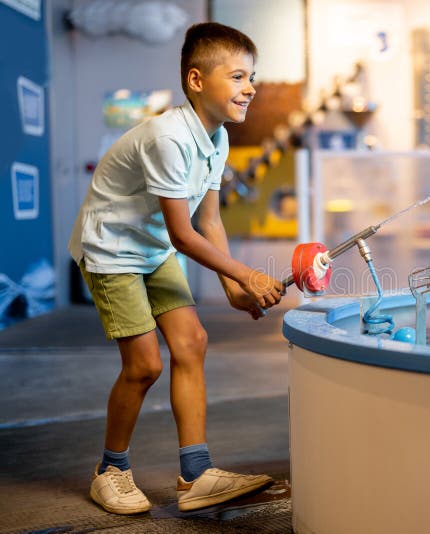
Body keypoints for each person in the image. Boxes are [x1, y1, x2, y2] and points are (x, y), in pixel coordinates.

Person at [68, 22, 283, 515]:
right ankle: (110, 470)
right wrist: (248, 274)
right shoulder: (168, 137)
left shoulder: (217, 139)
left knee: (193, 342)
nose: (251, 87)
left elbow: (209, 219)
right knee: (144, 364)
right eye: (237, 76)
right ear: (196, 80)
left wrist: (232, 288)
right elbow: (185, 234)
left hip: (152, 246)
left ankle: (196, 475)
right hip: (112, 249)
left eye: (253, 76)